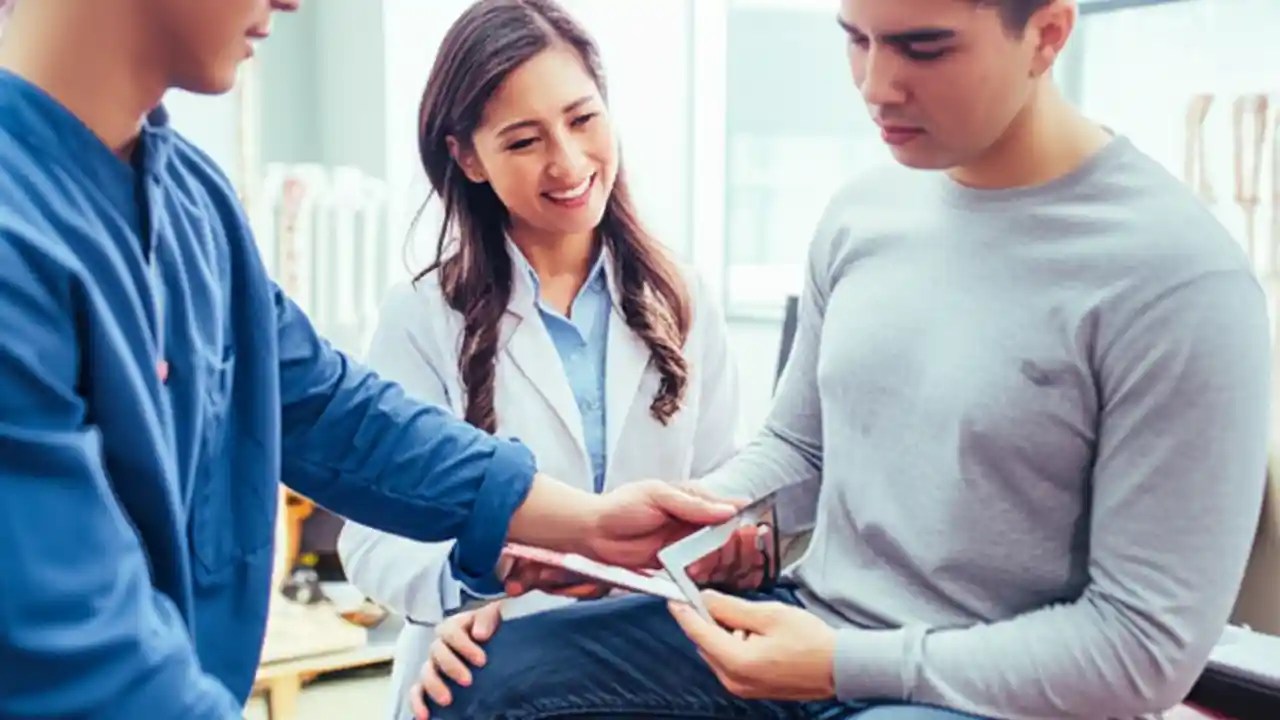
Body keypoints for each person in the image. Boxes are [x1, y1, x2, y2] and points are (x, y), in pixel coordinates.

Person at [423, 0, 1273, 719]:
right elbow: (800, 450)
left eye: (922, 47)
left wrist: (841, 665)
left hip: (982, 688)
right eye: (855, 39)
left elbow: (1142, 646)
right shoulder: (865, 213)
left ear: (1048, 34)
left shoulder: (1177, 281)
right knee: (482, 686)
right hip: (808, 624)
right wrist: (650, 531)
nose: (875, 86)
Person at [0, 1, 741, 717]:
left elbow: (329, 411)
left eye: (582, 118)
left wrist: (583, 524)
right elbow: (72, 647)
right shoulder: (17, 235)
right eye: (523, 139)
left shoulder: (193, 205)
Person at [333, 1, 781, 718]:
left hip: (650, 664)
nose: (568, 163)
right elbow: (372, 540)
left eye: (582, 120)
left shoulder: (682, 295)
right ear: (467, 157)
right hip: (488, 658)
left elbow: (728, 486)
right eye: (523, 141)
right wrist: (472, 577)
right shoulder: (424, 315)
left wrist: (743, 549)